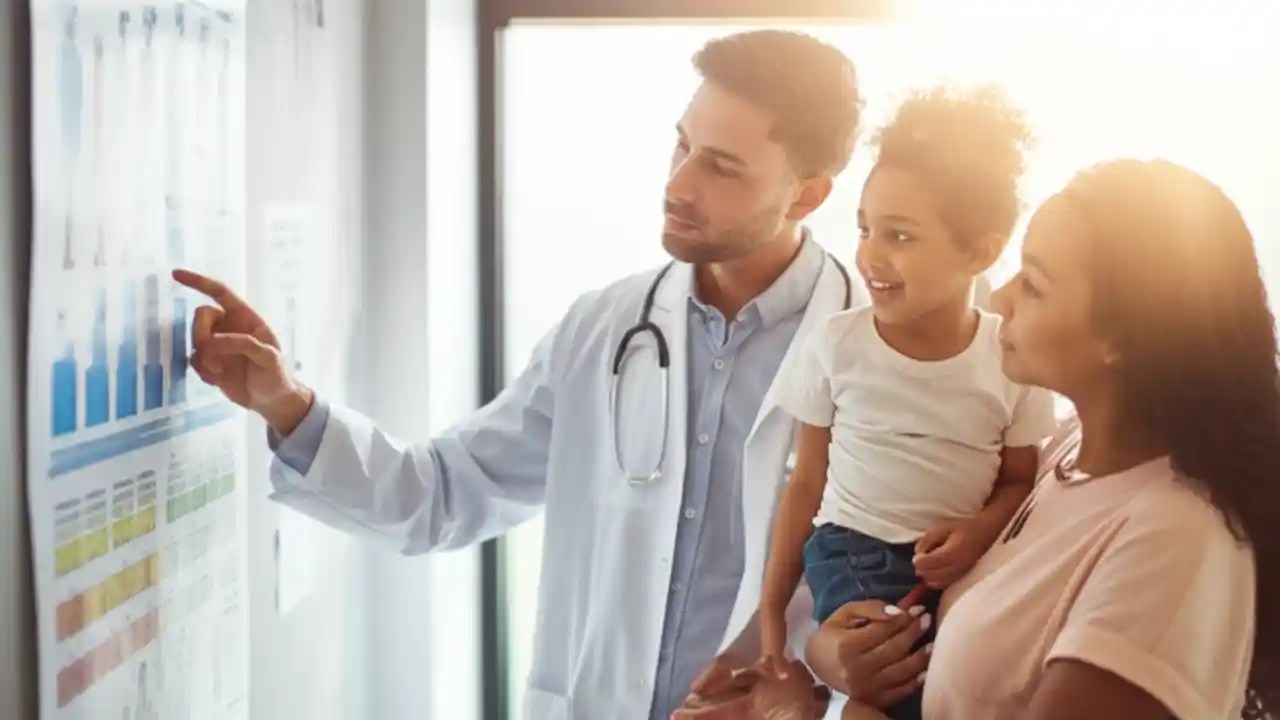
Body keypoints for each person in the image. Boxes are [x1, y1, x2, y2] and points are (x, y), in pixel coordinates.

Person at [175, 30, 864, 719]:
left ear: (806, 196)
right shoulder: (602, 329)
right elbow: (441, 494)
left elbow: (908, 608)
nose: (678, 184)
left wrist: (809, 693)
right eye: (682, 145)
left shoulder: (873, 359)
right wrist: (287, 403)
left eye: (722, 167)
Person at [791, 159, 1278, 719]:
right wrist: (827, 656)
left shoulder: (1175, 539)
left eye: (1036, 285)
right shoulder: (1067, 456)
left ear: (1120, 336)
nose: (1000, 299)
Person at [754, 86, 1057, 720]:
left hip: (960, 567)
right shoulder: (837, 344)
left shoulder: (1011, 358)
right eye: (865, 228)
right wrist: (772, 622)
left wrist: (976, 533)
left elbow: (1020, 484)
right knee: (893, 695)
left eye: (900, 235)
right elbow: (805, 486)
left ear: (979, 252)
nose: (870, 255)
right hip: (853, 550)